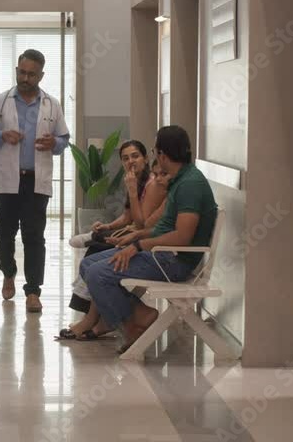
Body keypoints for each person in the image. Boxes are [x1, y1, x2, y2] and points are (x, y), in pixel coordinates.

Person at [80, 125, 218, 353]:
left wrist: (137, 245)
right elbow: (160, 226)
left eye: (154, 152)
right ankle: (140, 315)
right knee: (88, 264)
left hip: (174, 261)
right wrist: (138, 235)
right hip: (161, 251)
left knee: (97, 274)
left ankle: (130, 325)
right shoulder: (180, 180)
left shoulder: (190, 185)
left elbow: (182, 237)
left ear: (162, 155)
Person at [0, 49, 70, 312]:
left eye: (31, 74)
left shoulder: (51, 104)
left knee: (34, 235)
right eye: (22, 72)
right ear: (17, 70)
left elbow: (64, 139)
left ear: (41, 75)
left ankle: (33, 291)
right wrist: (0, 137)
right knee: (3, 232)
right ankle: (8, 272)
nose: (25, 77)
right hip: (8, 179)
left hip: (35, 180)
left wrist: (55, 143)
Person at [60, 141, 168, 339]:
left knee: (96, 258)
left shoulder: (152, 184)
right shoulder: (135, 180)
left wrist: (133, 192)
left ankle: (96, 320)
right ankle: (99, 320)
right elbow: (129, 216)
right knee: (94, 256)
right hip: (136, 238)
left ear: (145, 158)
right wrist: (109, 226)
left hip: (146, 245)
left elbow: (141, 222)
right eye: (126, 158)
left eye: (135, 156)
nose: (131, 161)